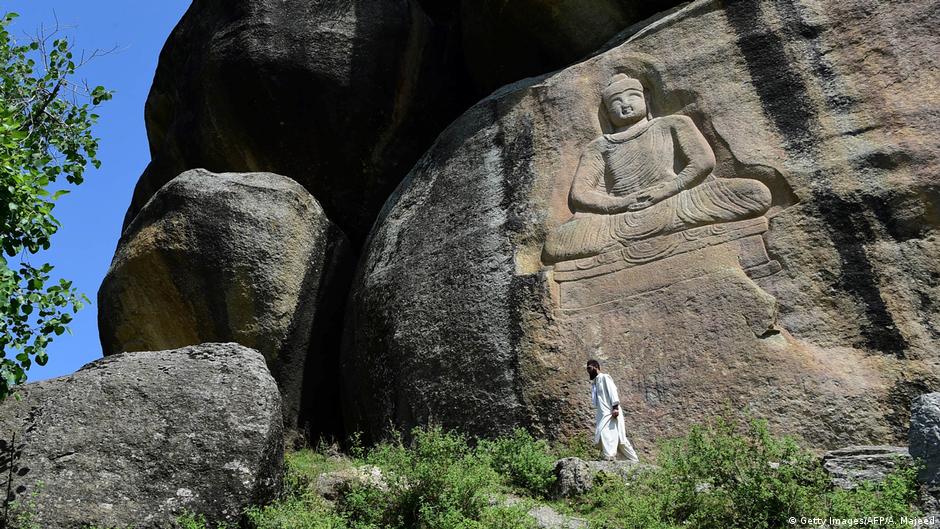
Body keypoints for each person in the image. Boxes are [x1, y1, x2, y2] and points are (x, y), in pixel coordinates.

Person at [543, 73, 772, 263]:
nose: (625, 104)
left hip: (677, 200)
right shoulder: (600, 146)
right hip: (624, 215)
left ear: (647, 99)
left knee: (754, 193)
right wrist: (620, 203)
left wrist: (667, 190)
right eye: (616, 102)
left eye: (632, 96)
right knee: (557, 242)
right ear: (607, 112)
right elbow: (580, 194)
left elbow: (703, 162)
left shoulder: (672, 123)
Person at [586, 359, 639, 462]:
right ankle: (633, 460)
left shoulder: (605, 378)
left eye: (589, 368)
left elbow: (612, 391)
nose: (588, 371)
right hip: (603, 414)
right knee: (617, 438)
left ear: (596, 367)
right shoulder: (595, 383)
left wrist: (615, 407)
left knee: (607, 434)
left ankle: (609, 456)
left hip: (611, 413)